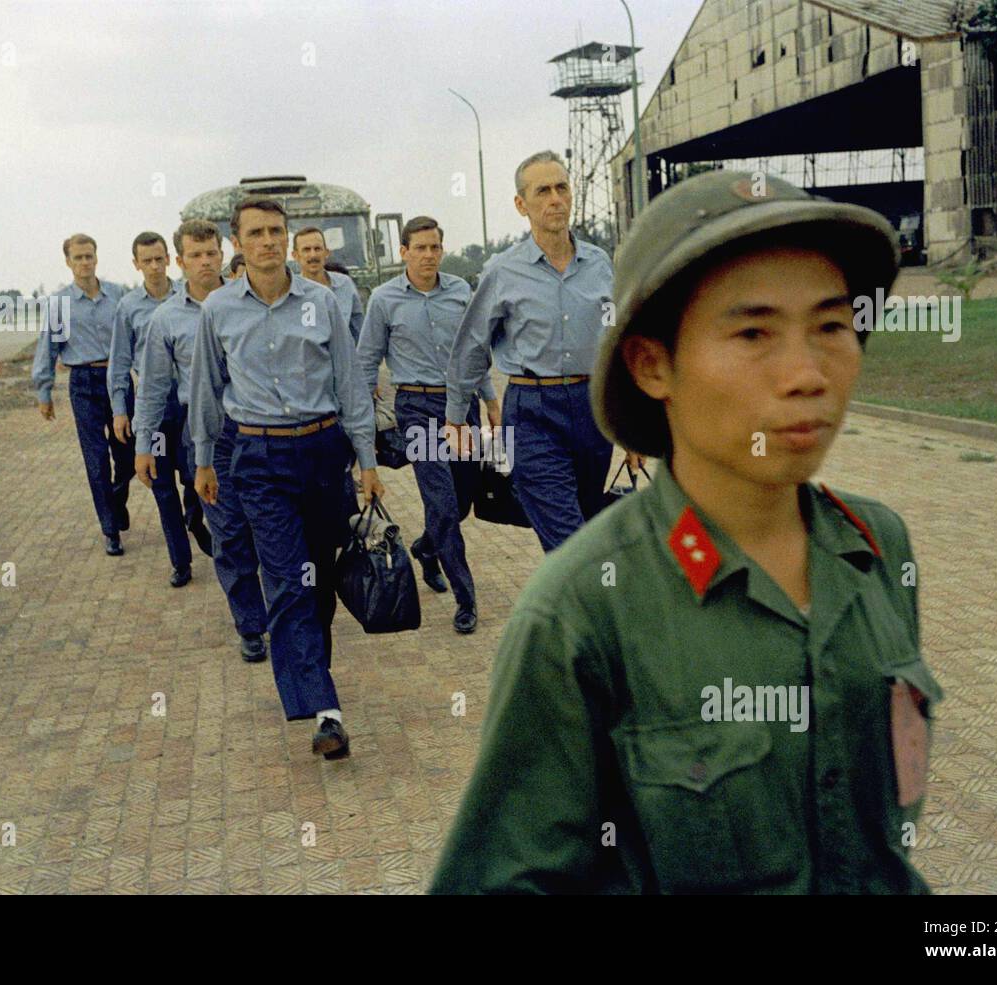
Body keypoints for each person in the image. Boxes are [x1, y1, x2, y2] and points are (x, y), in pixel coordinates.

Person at [430, 170, 946, 894]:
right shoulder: (581, 613)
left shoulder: (876, 547)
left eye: (832, 325)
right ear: (652, 363)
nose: (806, 373)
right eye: (753, 332)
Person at [190, 197, 383, 760]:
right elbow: (206, 389)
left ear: (288, 237)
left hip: (324, 454)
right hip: (259, 458)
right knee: (288, 583)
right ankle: (324, 709)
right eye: (257, 233)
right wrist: (205, 460)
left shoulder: (321, 302)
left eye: (277, 231)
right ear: (239, 244)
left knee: (320, 580)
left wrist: (367, 462)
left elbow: (350, 385)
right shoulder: (219, 311)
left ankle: (312, 673)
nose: (270, 241)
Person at [445, 150, 641, 553]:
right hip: (532, 413)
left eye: (562, 188)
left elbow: (618, 345)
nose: (555, 199)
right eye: (543, 191)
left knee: (585, 524)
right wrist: (455, 417)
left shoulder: (600, 265)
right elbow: (471, 345)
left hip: (592, 411)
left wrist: (633, 426)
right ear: (522, 205)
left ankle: (565, 611)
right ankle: (586, 612)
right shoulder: (503, 271)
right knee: (568, 541)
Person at [135, 219, 269, 660]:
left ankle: (282, 607)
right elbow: (154, 387)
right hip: (204, 436)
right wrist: (144, 444)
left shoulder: (248, 303)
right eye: (195, 255)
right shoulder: (166, 319)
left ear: (223, 252)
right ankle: (250, 624)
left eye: (212, 252)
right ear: (180, 262)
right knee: (228, 531)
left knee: (268, 523)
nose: (205, 261)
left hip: (256, 428)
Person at [357, 215, 499, 634]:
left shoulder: (459, 292)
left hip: (462, 405)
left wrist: (490, 399)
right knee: (441, 502)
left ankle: (424, 547)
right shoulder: (384, 300)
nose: (428, 255)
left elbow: (474, 349)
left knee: (464, 499)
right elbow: (367, 359)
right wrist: (363, 412)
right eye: (419, 248)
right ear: (403, 252)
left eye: (434, 247)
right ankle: (466, 599)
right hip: (416, 407)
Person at [111, 230, 209, 583]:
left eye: (159, 258)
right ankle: (180, 561)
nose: (154, 266)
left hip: (185, 403)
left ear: (170, 259)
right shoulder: (128, 308)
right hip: (153, 407)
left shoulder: (192, 300)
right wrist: (121, 410)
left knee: (196, 473)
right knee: (161, 482)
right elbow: (120, 361)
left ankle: (196, 519)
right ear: (136, 264)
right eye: (146, 260)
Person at [32, 234, 133, 556]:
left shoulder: (117, 295)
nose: (84, 262)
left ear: (97, 258)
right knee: (96, 459)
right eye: (78, 258)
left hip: (118, 380)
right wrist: (44, 391)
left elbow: (136, 336)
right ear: (68, 262)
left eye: (89, 256)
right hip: (84, 383)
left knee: (128, 454)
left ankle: (117, 501)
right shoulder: (61, 304)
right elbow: (49, 348)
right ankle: (110, 529)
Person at [292, 226, 364, 344]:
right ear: (295, 255)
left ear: (326, 252)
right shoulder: (290, 292)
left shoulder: (345, 284)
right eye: (306, 250)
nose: (313, 255)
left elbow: (358, 332)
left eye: (317, 249)